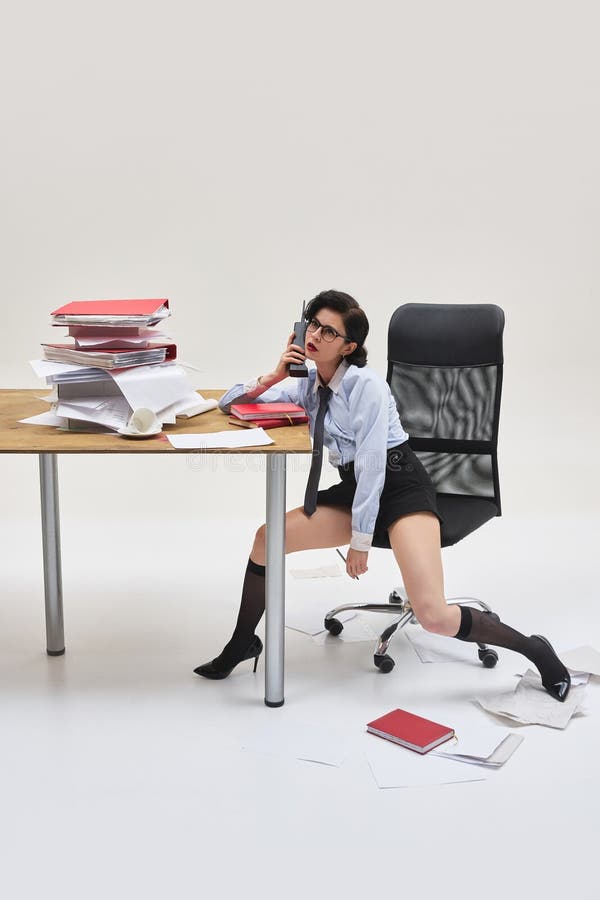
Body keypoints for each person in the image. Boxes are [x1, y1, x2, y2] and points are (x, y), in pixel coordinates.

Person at [194, 290, 571, 702]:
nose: (316, 335)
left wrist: (360, 540)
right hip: (357, 488)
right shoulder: (307, 384)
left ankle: (536, 649)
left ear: (349, 347)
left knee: (433, 615)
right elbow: (229, 404)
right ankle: (242, 643)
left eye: (329, 331)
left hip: (400, 485)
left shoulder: (365, 386)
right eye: (312, 324)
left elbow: (375, 465)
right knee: (269, 539)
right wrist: (273, 377)